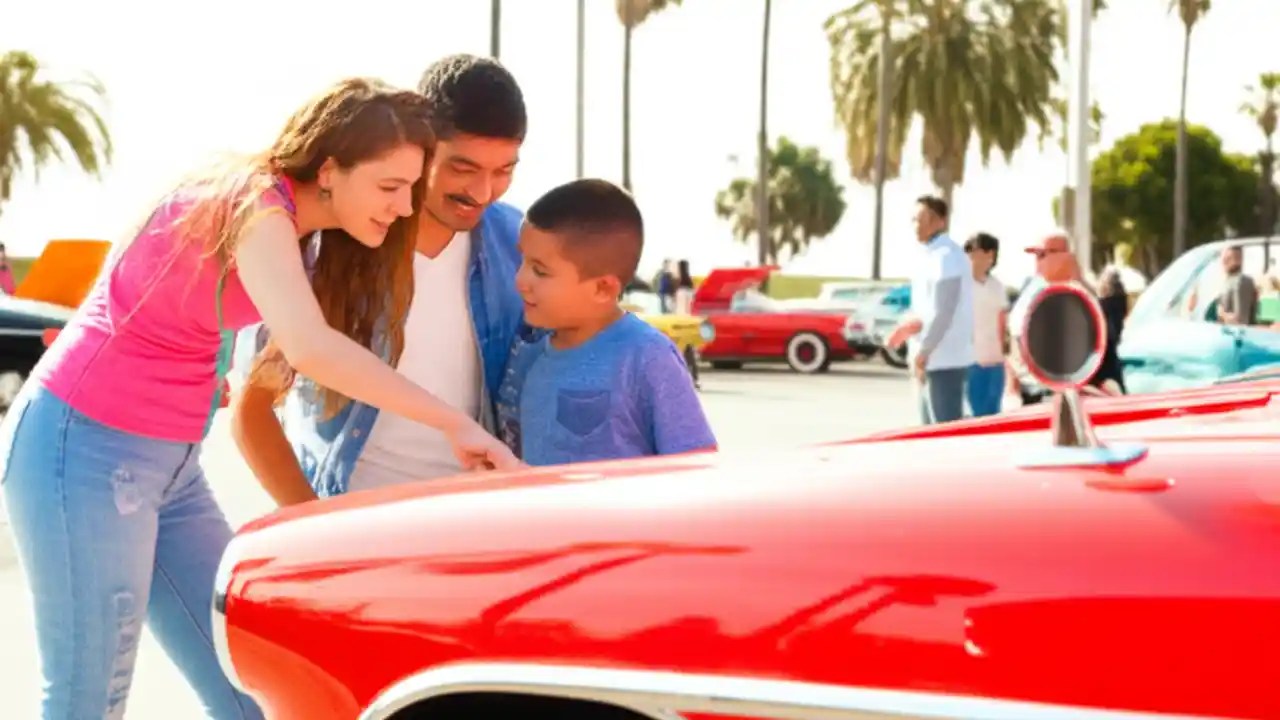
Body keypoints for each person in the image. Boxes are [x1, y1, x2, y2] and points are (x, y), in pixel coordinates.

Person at [0, 78, 517, 720]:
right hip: (83, 447)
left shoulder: (303, 240)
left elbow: (275, 369)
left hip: (172, 469)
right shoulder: (257, 207)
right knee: (89, 696)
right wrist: (451, 423)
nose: (405, 206)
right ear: (329, 170)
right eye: (390, 187)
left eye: (412, 188)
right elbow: (311, 348)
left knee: (249, 688)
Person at [231, 54, 529, 503]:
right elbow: (252, 412)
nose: (482, 192)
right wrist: (314, 524)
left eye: (504, 171)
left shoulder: (520, 246)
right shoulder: (330, 247)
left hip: (480, 520)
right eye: (463, 169)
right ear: (419, 148)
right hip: (356, 520)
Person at [496, 179, 717, 465]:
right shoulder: (528, 353)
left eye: (540, 271)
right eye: (523, 261)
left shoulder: (647, 356)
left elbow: (695, 465)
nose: (520, 280)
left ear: (603, 289)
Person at [885, 195, 974, 424]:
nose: (917, 225)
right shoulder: (929, 255)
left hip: (943, 360)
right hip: (927, 360)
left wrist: (925, 350)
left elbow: (944, 310)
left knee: (944, 431)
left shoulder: (947, 257)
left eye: (924, 219)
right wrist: (906, 328)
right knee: (927, 433)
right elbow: (925, 310)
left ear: (941, 222)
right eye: (914, 220)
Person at [963, 233, 1008, 417]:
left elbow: (1002, 323)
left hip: (995, 362)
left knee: (992, 415)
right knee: (973, 417)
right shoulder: (959, 285)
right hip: (969, 362)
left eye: (975, 251)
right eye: (969, 252)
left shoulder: (997, 287)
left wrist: (1005, 355)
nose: (971, 256)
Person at [1217, 245, 1258, 326]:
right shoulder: (1228, 281)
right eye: (1224, 258)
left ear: (1239, 259)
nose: (1223, 261)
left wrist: (1222, 314)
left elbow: (1240, 321)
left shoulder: (1242, 281)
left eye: (1228, 258)